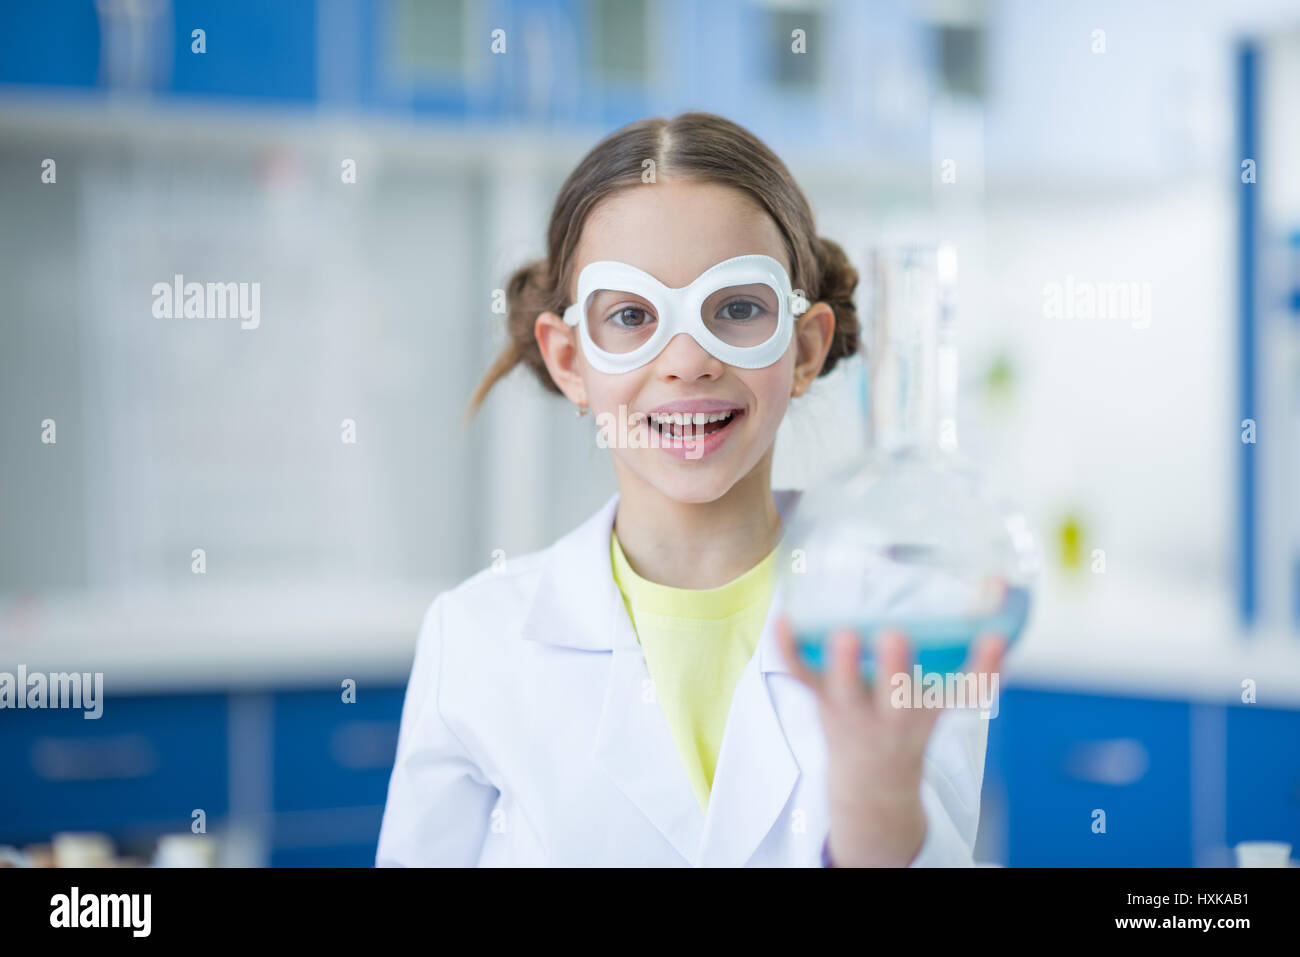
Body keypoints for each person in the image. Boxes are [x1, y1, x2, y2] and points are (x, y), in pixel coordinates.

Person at [376, 111, 1005, 867]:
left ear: (803, 350)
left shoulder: (899, 620)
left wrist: (876, 805)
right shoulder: (474, 641)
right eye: (632, 315)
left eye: (737, 308)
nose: (686, 359)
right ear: (571, 359)